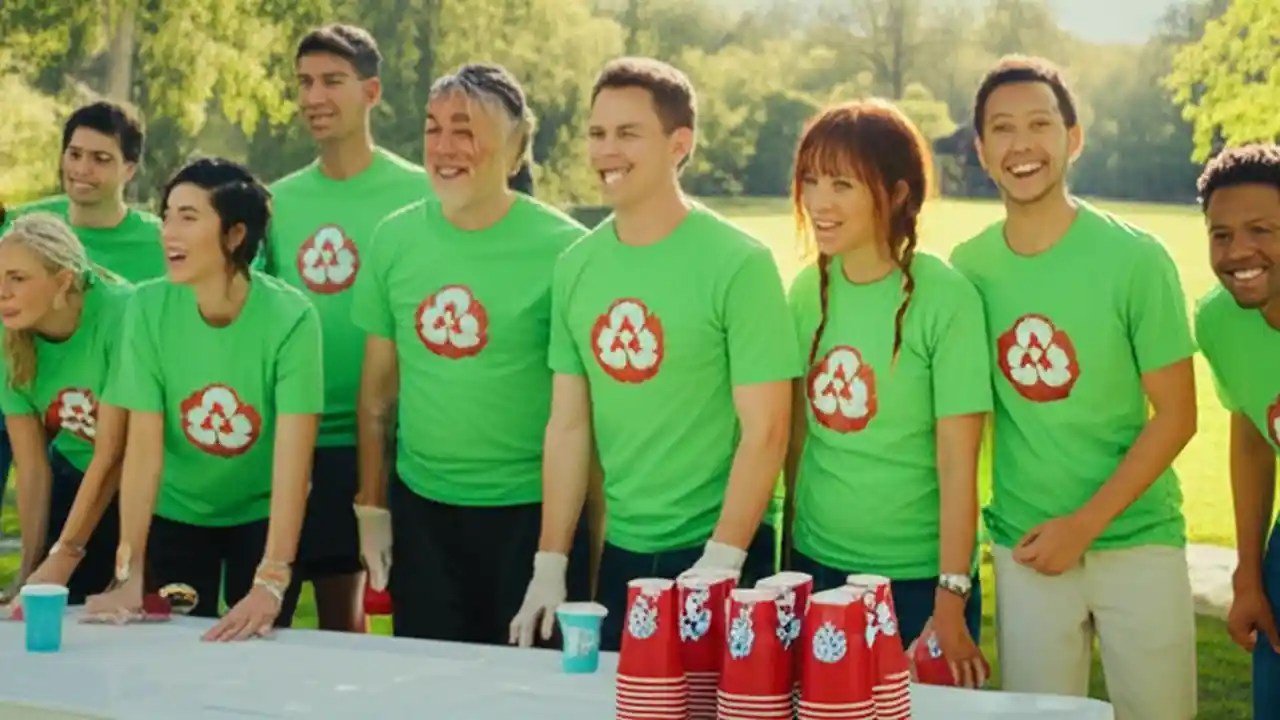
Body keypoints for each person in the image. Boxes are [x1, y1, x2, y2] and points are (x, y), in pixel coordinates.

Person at [508, 57, 797, 652]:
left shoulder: (739, 264)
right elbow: (567, 426)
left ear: (678, 144)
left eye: (627, 133)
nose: (606, 150)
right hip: (624, 552)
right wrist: (550, 564)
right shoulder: (576, 267)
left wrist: (722, 560)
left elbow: (766, 431)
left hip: (721, 550)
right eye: (597, 133)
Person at [949, 55, 1198, 718]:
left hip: (1138, 538)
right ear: (981, 149)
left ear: (1073, 137)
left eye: (1040, 123)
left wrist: (1083, 526)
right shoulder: (967, 270)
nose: (1021, 144)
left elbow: (1176, 416)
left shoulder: (1137, 259)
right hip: (1027, 548)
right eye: (1002, 129)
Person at [351, 63, 591, 645]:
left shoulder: (566, 252)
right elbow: (378, 396)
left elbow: (580, 417)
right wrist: (373, 509)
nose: (444, 147)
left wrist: (554, 558)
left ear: (515, 150)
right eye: (433, 129)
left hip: (528, 514)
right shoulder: (394, 238)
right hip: (424, 512)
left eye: (465, 129)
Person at [783, 99, 989, 686]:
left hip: (915, 581)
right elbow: (795, 444)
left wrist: (950, 599)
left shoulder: (945, 300)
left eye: (842, 183)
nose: (819, 202)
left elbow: (957, 463)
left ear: (897, 194)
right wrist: (792, 570)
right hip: (819, 568)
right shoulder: (805, 293)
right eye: (810, 180)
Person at [84, 158, 323, 641]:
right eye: (167, 215)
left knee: (254, 650)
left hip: (261, 517)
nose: (168, 232)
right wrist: (128, 574)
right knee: (174, 661)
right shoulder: (147, 308)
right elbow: (144, 452)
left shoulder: (292, 318)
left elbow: (294, 463)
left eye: (189, 218)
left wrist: (273, 577)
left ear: (235, 235)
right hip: (178, 514)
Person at [260, 23, 431, 633]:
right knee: (264, 616)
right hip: (292, 438)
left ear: (372, 91)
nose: (314, 97)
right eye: (304, 83)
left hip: (385, 439)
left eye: (332, 81)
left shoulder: (421, 193)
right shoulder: (275, 203)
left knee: (350, 623)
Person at [0, 214, 131, 607]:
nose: (2, 291)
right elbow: (32, 467)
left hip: (151, 483)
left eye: (17, 278)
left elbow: (115, 452)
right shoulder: (7, 334)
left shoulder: (122, 313)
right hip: (77, 475)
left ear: (63, 281)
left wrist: (64, 554)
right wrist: (28, 572)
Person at [1191, 143, 1280, 719]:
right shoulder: (1218, 320)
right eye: (1221, 235)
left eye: (1261, 230)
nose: (1238, 251)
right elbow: (1251, 432)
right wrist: (1248, 573)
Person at [0, 101, 164, 283]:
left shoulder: (162, 244)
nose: (82, 169)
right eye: (75, 155)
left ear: (129, 170)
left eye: (101, 159)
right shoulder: (20, 227)